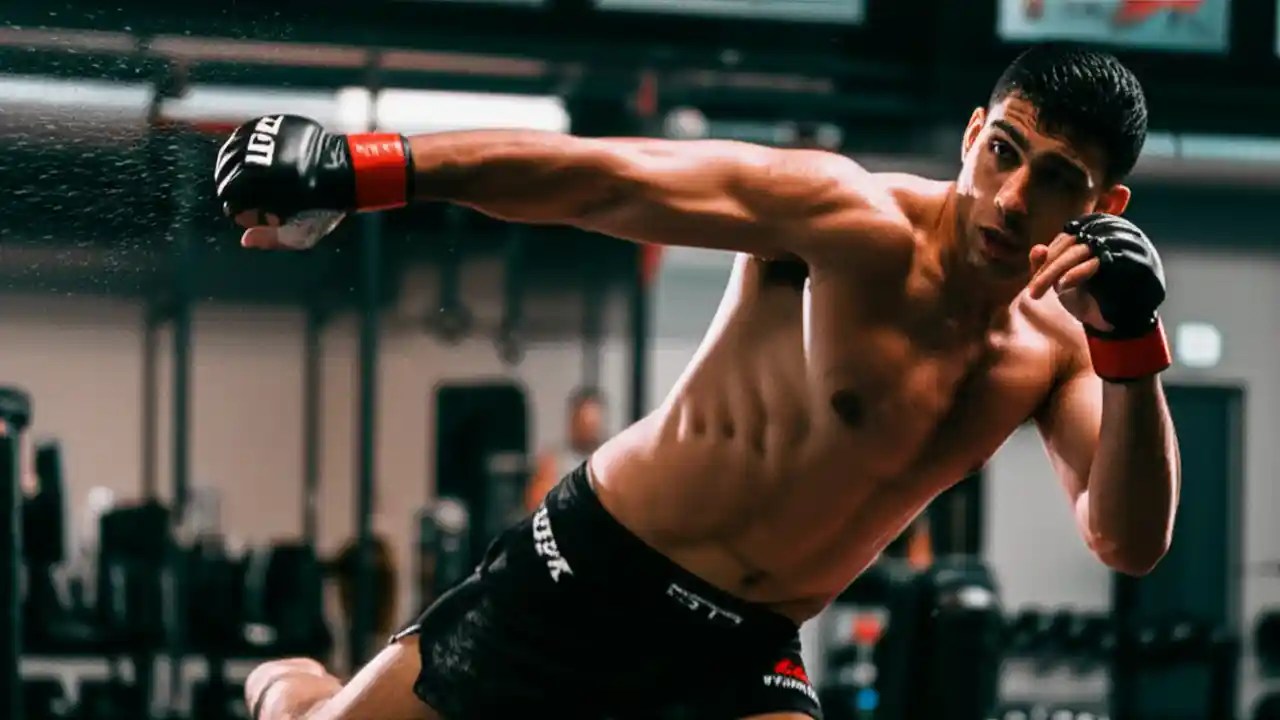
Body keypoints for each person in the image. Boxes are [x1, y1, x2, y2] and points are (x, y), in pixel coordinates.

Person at [221, 44, 1181, 720]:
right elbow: (604, 179)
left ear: (1104, 209)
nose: (1013, 199)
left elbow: (1125, 541)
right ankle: (289, 686)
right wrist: (360, 166)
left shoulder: (1060, 348)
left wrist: (1132, 345)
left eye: (1057, 180)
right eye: (1005, 151)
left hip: (743, 646)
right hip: (597, 572)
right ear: (973, 134)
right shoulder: (846, 218)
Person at [525, 387, 609, 511]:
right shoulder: (552, 462)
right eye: (583, 423)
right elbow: (536, 504)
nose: (588, 431)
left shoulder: (610, 462)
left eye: (592, 425)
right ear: (572, 422)